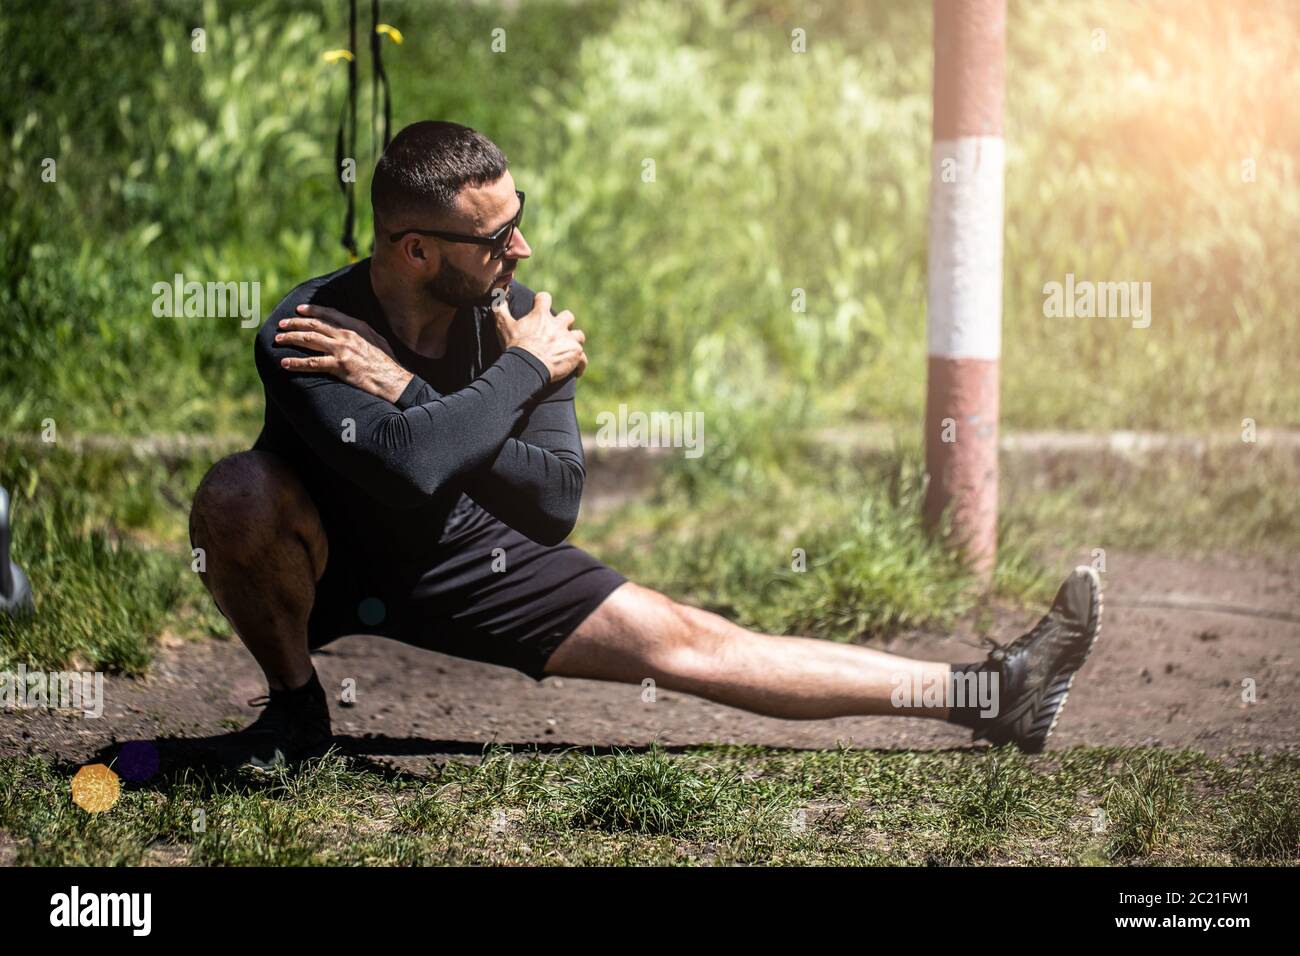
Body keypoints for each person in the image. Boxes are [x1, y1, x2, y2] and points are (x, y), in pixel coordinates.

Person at [188, 120, 1102, 769]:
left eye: (521, 217)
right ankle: (297, 715)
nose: (526, 249)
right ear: (418, 250)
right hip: (324, 557)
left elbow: (551, 503)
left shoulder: (520, 328)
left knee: (694, 641)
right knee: (236, 494)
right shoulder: (309, 332)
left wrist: (437, 389)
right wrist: (515, 381)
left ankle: (992, 693)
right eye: (500, 236)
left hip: (471, 557)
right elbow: (408, 464)